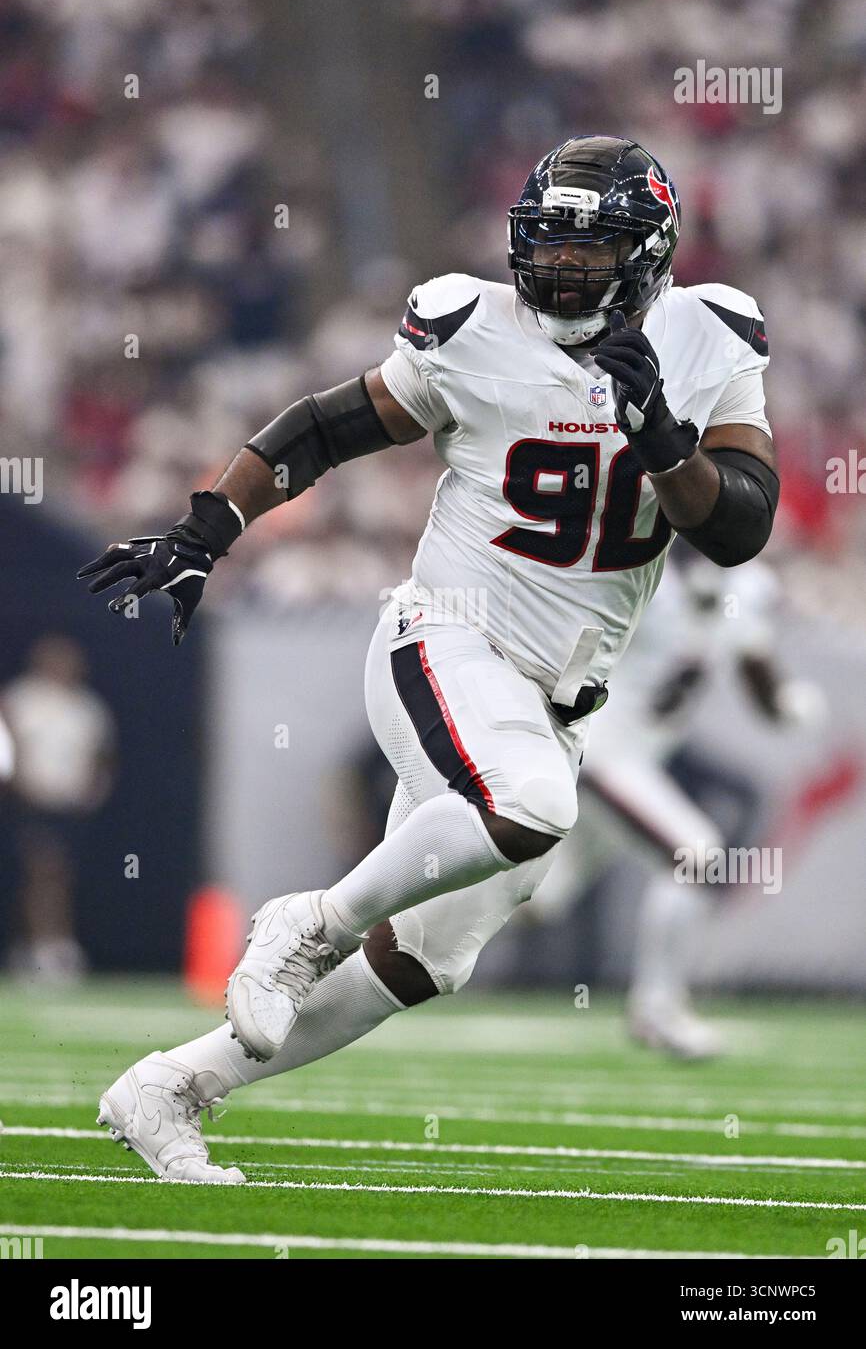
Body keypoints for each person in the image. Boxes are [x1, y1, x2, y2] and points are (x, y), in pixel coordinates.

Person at [78, 135, 779, 1182]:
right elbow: (323, 428)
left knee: (422, 960)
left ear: (648, 255)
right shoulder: (472, 327)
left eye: (588, 255)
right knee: (531, 805)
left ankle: (173, 1086)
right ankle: (307, 920)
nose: (559, 272)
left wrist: (663, 440)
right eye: (545, 246)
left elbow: (738, 525)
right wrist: (208, 526)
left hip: (558, 696)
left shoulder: (706, 336)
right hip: (448, 635)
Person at [534, 553, 824, 1058]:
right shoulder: (640, 568)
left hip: (634, 761)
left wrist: (787, 705)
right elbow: (572, 649)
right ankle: (658, 1007)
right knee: (695, 853)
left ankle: (393, 929)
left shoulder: (745, 586)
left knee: (535, 898)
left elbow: (759, 677)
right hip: (599, 754)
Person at [2, 634, 116, 979]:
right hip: (30, 803)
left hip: (71, 807)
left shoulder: (87, 708)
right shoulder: (18, 699)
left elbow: (103, 759)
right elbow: (10, 750)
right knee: (43, 871)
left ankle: (43, 945)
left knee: (59, 876)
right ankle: (47, 947)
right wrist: (19, 786)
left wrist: (95, 791)